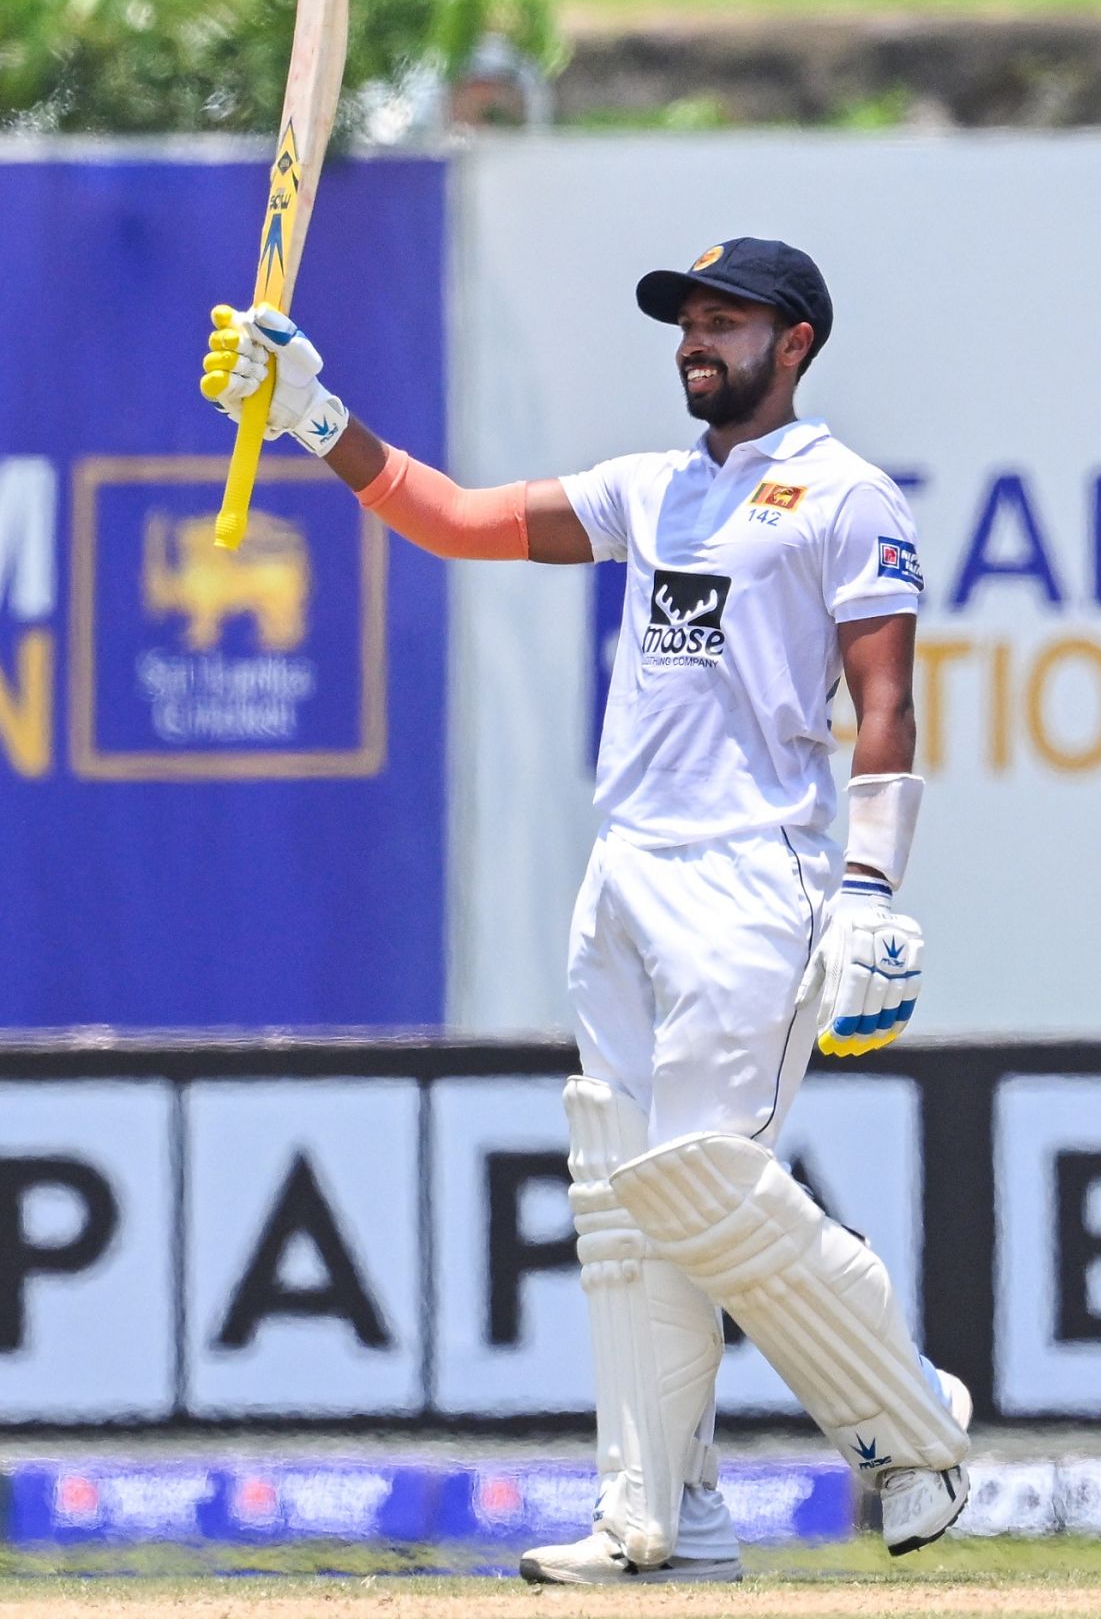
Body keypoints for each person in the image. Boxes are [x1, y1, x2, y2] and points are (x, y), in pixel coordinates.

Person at [200, 236, 971, 1583]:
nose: (697, 339)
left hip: (756, 878)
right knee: (629, 1204)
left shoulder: (849, 497)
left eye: (728, 320)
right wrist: (315, 416)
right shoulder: (651, 490)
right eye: (687, 317)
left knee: (700, 1185)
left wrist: (868, 893)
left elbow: (890, 701)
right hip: (624, 871)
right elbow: (450, 519)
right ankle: (661, 1526)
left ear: (795, 343)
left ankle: (912, 1423)